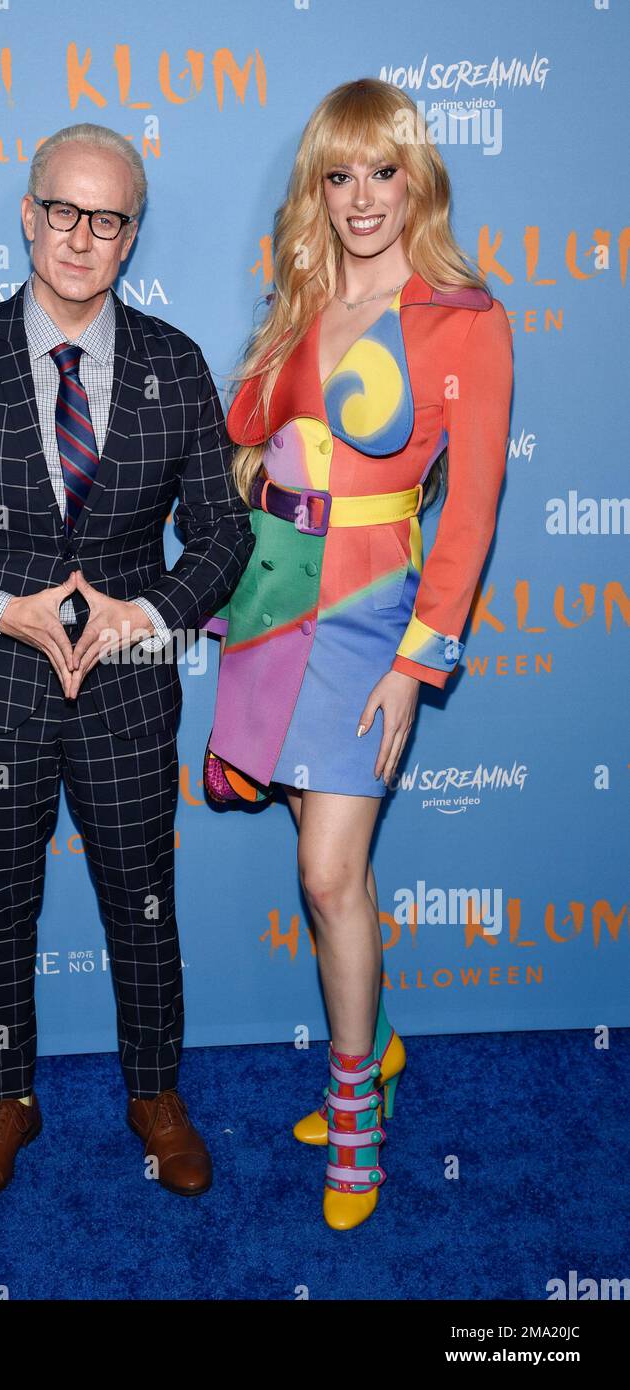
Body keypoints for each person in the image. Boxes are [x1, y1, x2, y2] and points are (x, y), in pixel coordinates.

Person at [0, 122, 254, 1205]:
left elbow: (224, 536)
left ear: (132, 235)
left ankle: (155, 1094)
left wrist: (145, 614)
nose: (82, 236)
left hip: (125, 695)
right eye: (63, 211)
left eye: (108, 217)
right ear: (28, 217)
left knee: (145, 904)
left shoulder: (173, 361)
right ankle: (6, 1095)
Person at [202, 78, 514, 1230]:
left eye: (383, 172)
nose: (362, 197)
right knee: (323, 856)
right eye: (339, 176)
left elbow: (470, 513)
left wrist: (415, 661)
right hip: (271, 596)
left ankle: (354, 1109)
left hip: (373, 620)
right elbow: (241, 427)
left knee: (329, 874)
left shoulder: (464, 321)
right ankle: (374, 1047)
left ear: (417, 178)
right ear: (317, 190)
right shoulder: (303, 293)